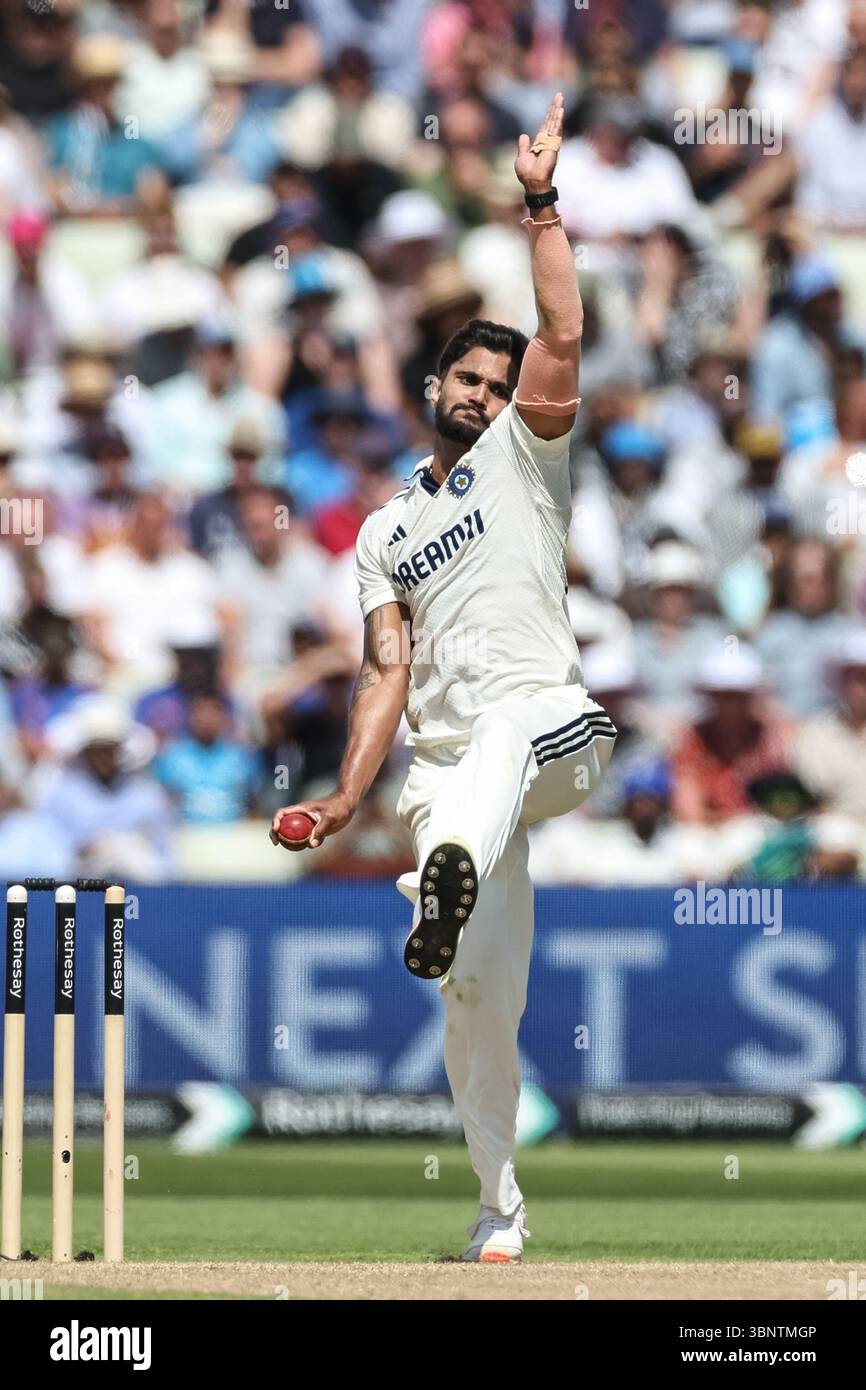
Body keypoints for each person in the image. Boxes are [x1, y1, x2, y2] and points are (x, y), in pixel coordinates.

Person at [269, 95, 616, 1263]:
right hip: (448, 773)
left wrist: (537, 205)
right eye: (463, 380)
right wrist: (347, 798)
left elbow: (560, 334)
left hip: (555, 733)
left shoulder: (528, 452)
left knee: (515, 731)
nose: (477, 395)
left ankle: (441, 877)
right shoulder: (381, 531)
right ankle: (497, 1204)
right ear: (433, 386)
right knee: (479, 1006)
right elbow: (381, 674)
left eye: (492, 382)